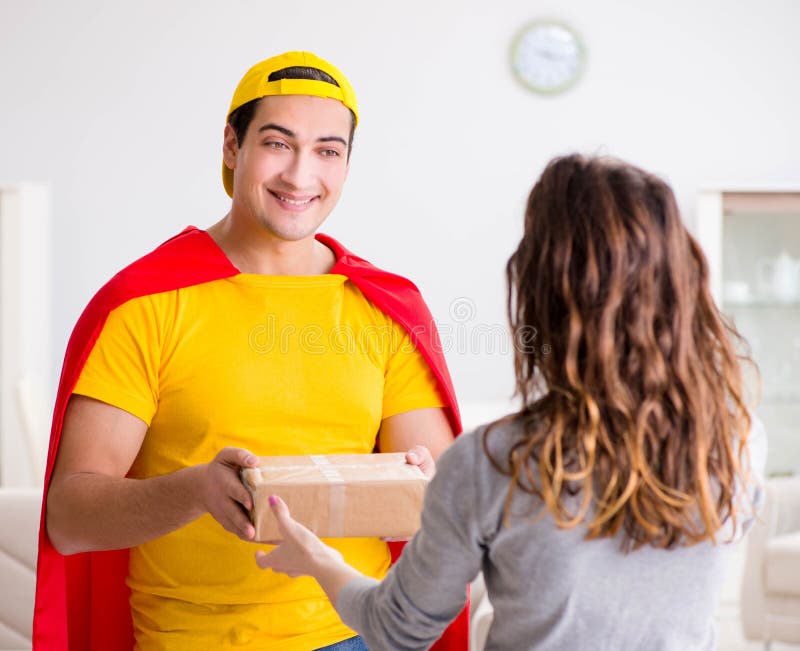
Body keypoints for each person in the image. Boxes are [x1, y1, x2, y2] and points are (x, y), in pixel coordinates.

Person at [34, 51, 470, 650]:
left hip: (358, 633)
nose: (299, 175)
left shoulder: (384, 309)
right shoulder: (147, 304)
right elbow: (70, 518)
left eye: (327, 151)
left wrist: (426, 490)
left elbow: (444, 506)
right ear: (232, 147)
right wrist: (195, 491)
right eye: (277, 142)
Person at [256, 153, 768, 651]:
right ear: (681, 288)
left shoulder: (494, 461)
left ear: (540, 294)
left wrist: (317, 559)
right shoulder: (736, 443)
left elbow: (398, 629)